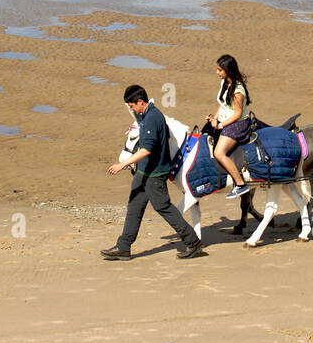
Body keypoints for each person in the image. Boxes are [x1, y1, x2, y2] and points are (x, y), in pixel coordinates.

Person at [101, 84, 202, 261]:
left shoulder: (152, 118)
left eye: (132, 106)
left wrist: (122, 164)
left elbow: (147, 149)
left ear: (140, 102)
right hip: (144, 171)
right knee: (134, 205)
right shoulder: (146, 116)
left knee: (163, 207)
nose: (132, 109)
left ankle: (193, 242)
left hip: (155, 173)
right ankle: (124, 246)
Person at [206, 54, 252, 198]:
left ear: (228, 70)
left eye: (220, 70)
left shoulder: (238, 90)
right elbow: (222, 105)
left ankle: (240, 184)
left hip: (238, 124)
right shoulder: (224, 82)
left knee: (219, 152)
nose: (217, 72)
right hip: (224, 120)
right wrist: (214, 118)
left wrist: (221, 125)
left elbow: (237, 114)